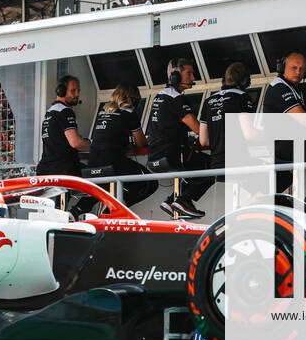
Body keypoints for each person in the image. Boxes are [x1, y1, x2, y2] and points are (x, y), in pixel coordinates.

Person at [261, 51, 306, 202]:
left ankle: (256, 204)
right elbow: (303, 118)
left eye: (302, 69)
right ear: (282, 68)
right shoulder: (280, 87)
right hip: (287, 147)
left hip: (288, 147)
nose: (298, 72)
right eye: (294, 68)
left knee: (273, 189)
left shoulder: (293, 88)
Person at [146, 57, 213, 219]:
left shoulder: (160, 96)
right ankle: (182, 201)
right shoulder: (176, 98)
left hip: (155, 157)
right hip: (172, 155)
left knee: (197, 164)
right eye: (189, 73)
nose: (193, 78)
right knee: (213, 165)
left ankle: (173, 201)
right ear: (175, 76)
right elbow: (197, 128)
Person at [87, 84, 157, 207]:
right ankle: (117, 208)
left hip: (92, 164)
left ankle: (77, 210)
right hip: (113, 164)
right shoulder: (129, 113)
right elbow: (141, 143)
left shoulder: (103, 112)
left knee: (102, 189)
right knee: (150, 183)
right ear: (133, 99)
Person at [199, 62, 255, 179]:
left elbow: (204, 141)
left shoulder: (208, 101)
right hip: (239, 161)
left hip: (217, 162)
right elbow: (249, 134)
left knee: (223, 196)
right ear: (244, 80)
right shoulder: (242, 97)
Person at [36, 75, 90, 177]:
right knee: (100, 177)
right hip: (64, 170)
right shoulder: (65, 111)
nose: (77, 94)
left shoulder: (50, 111)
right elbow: (75, 143)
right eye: (73, 91)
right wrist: (97, 146)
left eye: (78, 90)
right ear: (61, 91)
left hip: (46, 169)